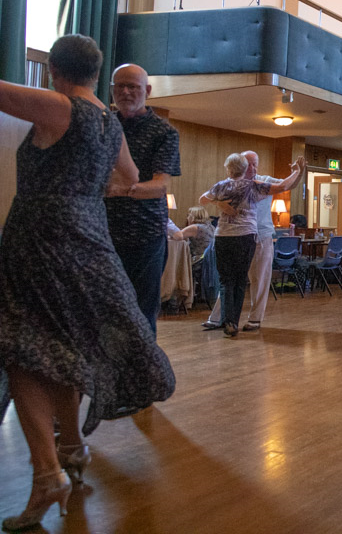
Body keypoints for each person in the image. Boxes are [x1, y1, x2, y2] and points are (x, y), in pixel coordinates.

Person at [0, 35, 176, 530]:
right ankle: (73, 447)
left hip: (40, 239)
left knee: (20, 352)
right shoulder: (108, 122)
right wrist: (82, 193)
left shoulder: (60, 107)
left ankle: (47, 473)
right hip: (89, 236)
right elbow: (131, 174)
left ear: (55, 69)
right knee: (62, 346)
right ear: (99, 74)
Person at [104, 63, 181, 336]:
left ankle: (142, 376)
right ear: (111, 89)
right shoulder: (102, 124)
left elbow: (160, 187)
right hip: (102, 236)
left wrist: (120, 189)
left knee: (141, 317)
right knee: (103, 314)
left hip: (145, 237)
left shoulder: (164, 132)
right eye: (119, 86)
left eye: (133, 87)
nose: (125, 92)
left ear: (147, 91)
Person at [200, 153, 305, 337]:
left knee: (255, 279)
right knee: (232, 280)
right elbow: (206, 198)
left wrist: (299, 172)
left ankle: (253, 319)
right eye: (249, 164)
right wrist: (219, 204)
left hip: (260, 234)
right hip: (240, 236)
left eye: (255, 164)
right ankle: (220, 318)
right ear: (241, 166)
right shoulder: (237, 185)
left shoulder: (261, 182)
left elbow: (287, 186)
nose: (252, 168)